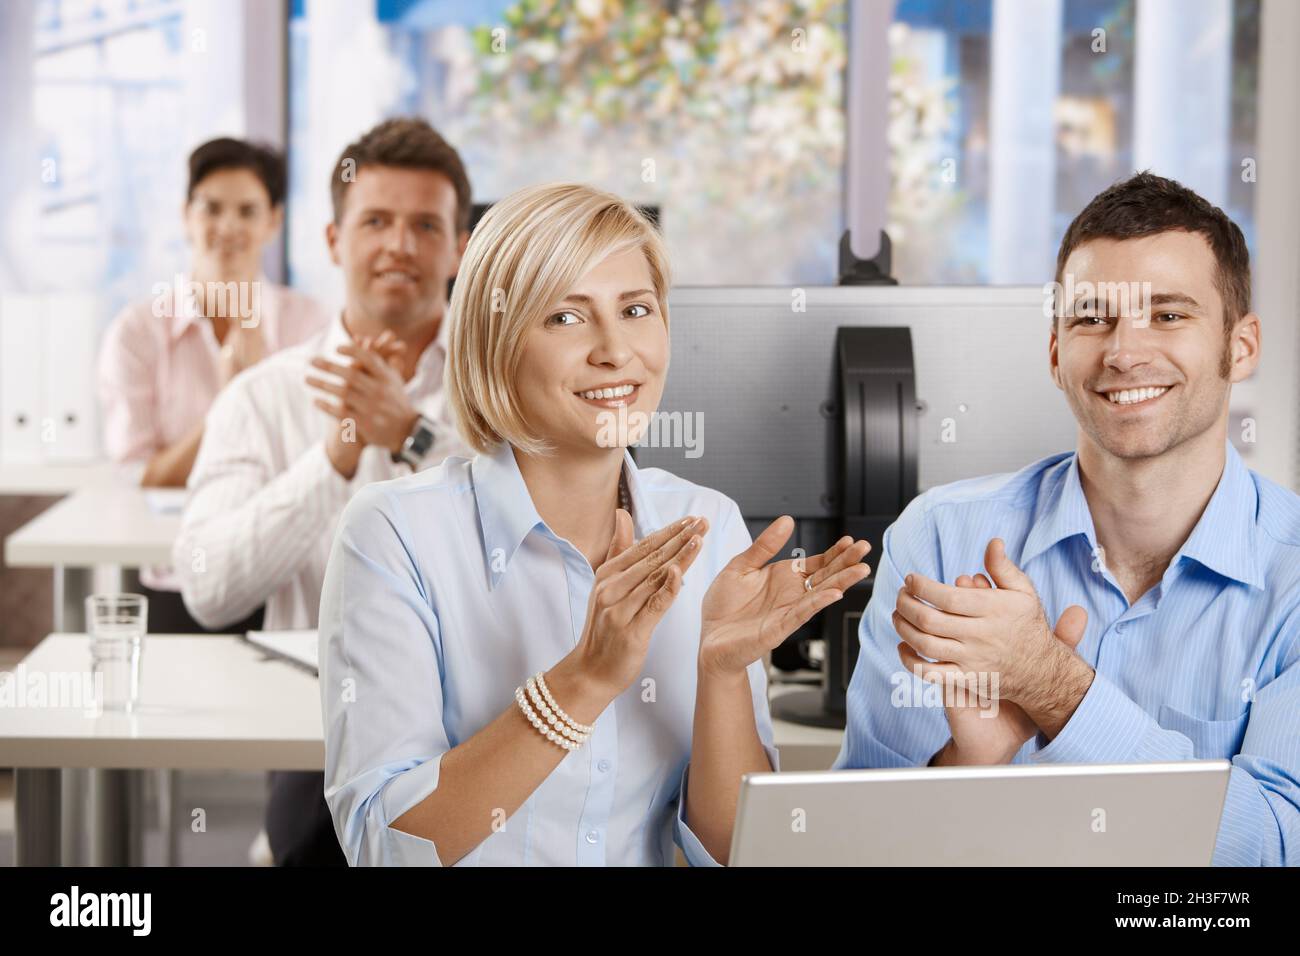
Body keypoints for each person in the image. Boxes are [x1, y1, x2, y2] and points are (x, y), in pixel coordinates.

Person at [318, 182, 872, 866]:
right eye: (566, 318)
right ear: (496, 343)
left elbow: (734, 854)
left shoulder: (706, 526)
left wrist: (722, 672)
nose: (616, 351)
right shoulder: (393, 535)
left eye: (636, 309)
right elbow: (384, 848)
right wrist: (583, 680)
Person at [836, 171, 1299, 866]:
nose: (1123, 352)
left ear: (1242, 346)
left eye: (1168, 315)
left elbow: (1277, 846)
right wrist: (967, 764)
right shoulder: (938, 538)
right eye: (1092, 317)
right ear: (1056, 351)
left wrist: (1056, 688)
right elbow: (855, 851)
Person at [172, 117, 473, 865]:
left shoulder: (505, 394)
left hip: (482, 742)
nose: (399, 245)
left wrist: (412, 435)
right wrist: (334, 453)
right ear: (334, 241)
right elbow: (207, 588)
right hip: (316, 750)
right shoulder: (261, 398)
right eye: (375, 221)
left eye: (424, 225)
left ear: (461, 246)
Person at [97, 137, 330, 632]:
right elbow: (141, 475)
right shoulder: (138, 332)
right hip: (174, 578)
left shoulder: (312, 325)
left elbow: (323, 457)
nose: (228, 227)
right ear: (186, 216)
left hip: (290, 576)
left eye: (247, 211)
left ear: (273, 222)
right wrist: (235, 404)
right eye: (212, 209)